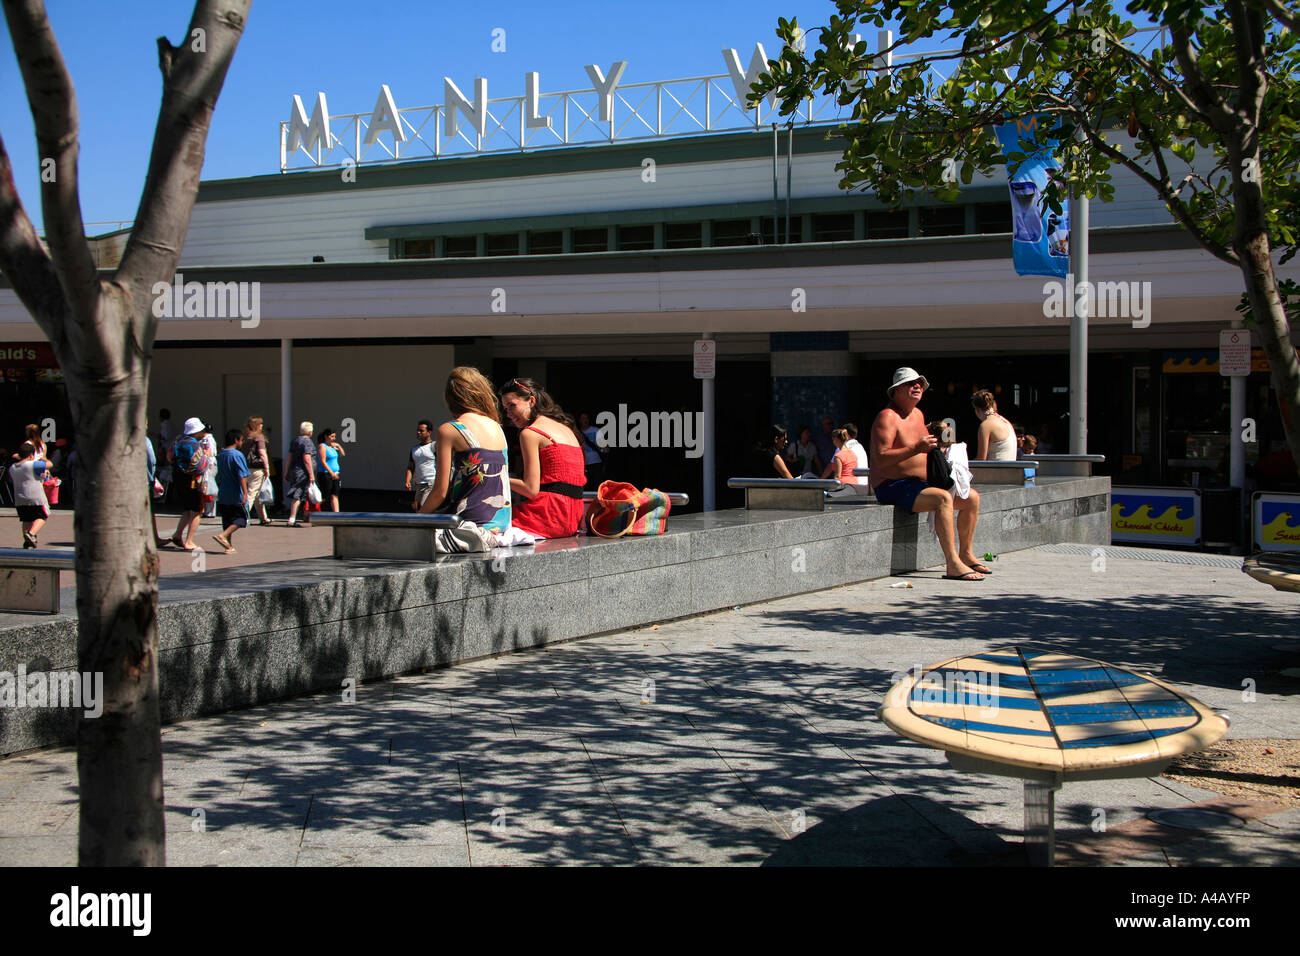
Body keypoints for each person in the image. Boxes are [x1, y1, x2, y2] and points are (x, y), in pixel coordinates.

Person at [870, 368, 987, 581]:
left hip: (920, 484)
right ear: (896, 390)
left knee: (971, 498)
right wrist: (916, 447)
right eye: (910, 383)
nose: (917, 386)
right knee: (942, 499)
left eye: (920, 383)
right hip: (892, 486)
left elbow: (924, 448)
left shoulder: (918, 414)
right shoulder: (887, 417)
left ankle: (966, 554)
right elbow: (880, 458)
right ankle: (952, 563)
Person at [419, 367, 510, 548]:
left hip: (470, 526)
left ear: (450, 397)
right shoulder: (497, 427)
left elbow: (440, 492)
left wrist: (417, 518)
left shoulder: (450, 429)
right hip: (501, 527)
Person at [500, 377, 586, 539]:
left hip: (549, 516)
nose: (509, 414)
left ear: (531, 401)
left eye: (512, 405)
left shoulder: (530, 433)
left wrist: (498, 477)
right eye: (505, 408)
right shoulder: (566, 428)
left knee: (488, 523)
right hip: (573, 518)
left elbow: (530, 489)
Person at [168, 417, 213, 551]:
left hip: (178, 477)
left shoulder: (177, 440)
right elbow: (200, 466)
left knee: (188, 509)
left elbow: (169, 456)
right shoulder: (195, 444)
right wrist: (206, 455)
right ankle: (189, 541)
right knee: (197, 510)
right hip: (192, 481)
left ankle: (177, 534)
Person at [212, 429, 249, 554]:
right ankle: (223, 536)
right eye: (241, 440)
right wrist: (245, 492)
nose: (242, 443)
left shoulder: (221, 454)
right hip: (235, 492)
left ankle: (229, 546)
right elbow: (242, 475)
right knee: (241, 519)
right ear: (236, 440)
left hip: (223, 492)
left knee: (227, 520)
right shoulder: (237, 455)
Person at [10, 441, 50, 548]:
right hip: (36, 497)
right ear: (31, 455)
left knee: (26, 519)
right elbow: (50, 465)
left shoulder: (12, 467)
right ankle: (31, 534)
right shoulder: (33, 464)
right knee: (42, 516)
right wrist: (44, 459)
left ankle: (27, 541)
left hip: (19, 498)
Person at [241, 417, 274, 524]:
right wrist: (267, 468)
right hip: (257, 468)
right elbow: (262, 453)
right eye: (260, 424)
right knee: (252, 493)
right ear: (257, 425)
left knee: (257, 493)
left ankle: (263, 517)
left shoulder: (245, 437)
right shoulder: (258, 437)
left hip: (246, 468)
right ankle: (243, 516)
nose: (262, 425)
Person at [285, 421, 317, 527]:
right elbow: (307, 458)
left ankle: (305, 515)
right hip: (303, 472)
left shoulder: (295, 441)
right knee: (298, 495)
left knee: (300, 494)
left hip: (295, 470)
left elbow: (289, 457)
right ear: (310, 431)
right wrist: (311, 474)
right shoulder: (307, 442)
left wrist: (287, 471)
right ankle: (292, 518)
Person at [972, 389, 1017, 461]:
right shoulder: (1005, 421)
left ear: (977, 409)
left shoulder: (986, 425)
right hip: (1010, 470)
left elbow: (981, 460)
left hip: (996, 470)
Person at [405, 419, 438, 510]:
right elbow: (410, 467)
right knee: (417, 508)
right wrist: (408, 481)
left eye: (422, 431)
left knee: (424, 508)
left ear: (429, 432)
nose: (418, 432)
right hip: (419, 484)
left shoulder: (435, 446)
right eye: (418, 430)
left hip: (431, 483)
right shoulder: (414, 449)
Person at [316, 426, 345, 512]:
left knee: (335, 494)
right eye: (332, 436)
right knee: (325, 495)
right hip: (325, 473)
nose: (333, 439)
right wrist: (331, 473)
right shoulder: (322, 446)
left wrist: (338, 446)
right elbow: (323, 461)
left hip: (336, 473)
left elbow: (342, 454)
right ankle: (311, 509)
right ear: (326, 436)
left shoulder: (332, 447)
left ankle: (337, 514)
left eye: (334, 437)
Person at [578, 411, 605, 489]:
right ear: (579, 420)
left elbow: (604, 447)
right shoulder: (577, 432)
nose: (585, 420)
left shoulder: (596, 430)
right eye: (582, 418)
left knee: (596, 485)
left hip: (595, 462)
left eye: (586, 418)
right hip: (582, 463)